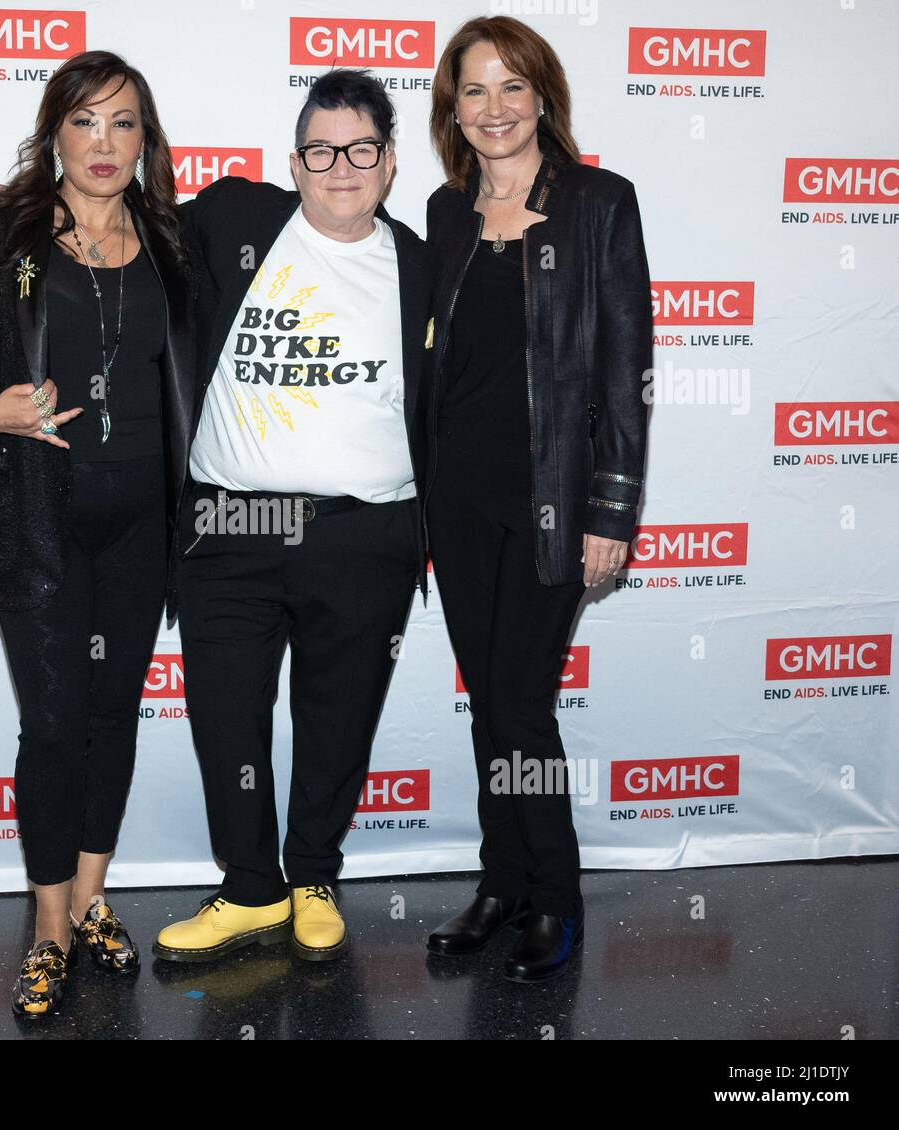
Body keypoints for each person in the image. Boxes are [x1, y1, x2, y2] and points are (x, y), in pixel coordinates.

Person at [0, 50, 195, 1019]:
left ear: (144, 139)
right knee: (53, 723)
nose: (105, 143)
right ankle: (46, 926)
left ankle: (92, 895)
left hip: (143, 523)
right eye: (85, 121)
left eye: (124, 123)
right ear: (54, 131)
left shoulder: (169, 235)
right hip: (39, 519)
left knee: (113, 717)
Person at [150, 69, 432, 963]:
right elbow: (123, 221)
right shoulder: (236, 222)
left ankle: (311, 874)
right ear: (294, 161)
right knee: (226, 719)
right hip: (230, 529)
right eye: (320, 149)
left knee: (337, 714)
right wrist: (15, 211)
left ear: (389, 164)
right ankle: (250, 889)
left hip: (366, 534)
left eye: (360, 150)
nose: (339, 166)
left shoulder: (422, 267)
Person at [419, 16, 651, 981]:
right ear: (452, 110)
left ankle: (554, 892)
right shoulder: (443, 211)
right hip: (458, 500)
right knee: (490, 704)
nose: (494, 108)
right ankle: (501, 878)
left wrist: (612, 512)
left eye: (512, 87)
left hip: (554, 499)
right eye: (474, 91)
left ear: (543, 97)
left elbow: (626, 368)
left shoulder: (599, 204)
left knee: (521, 704)